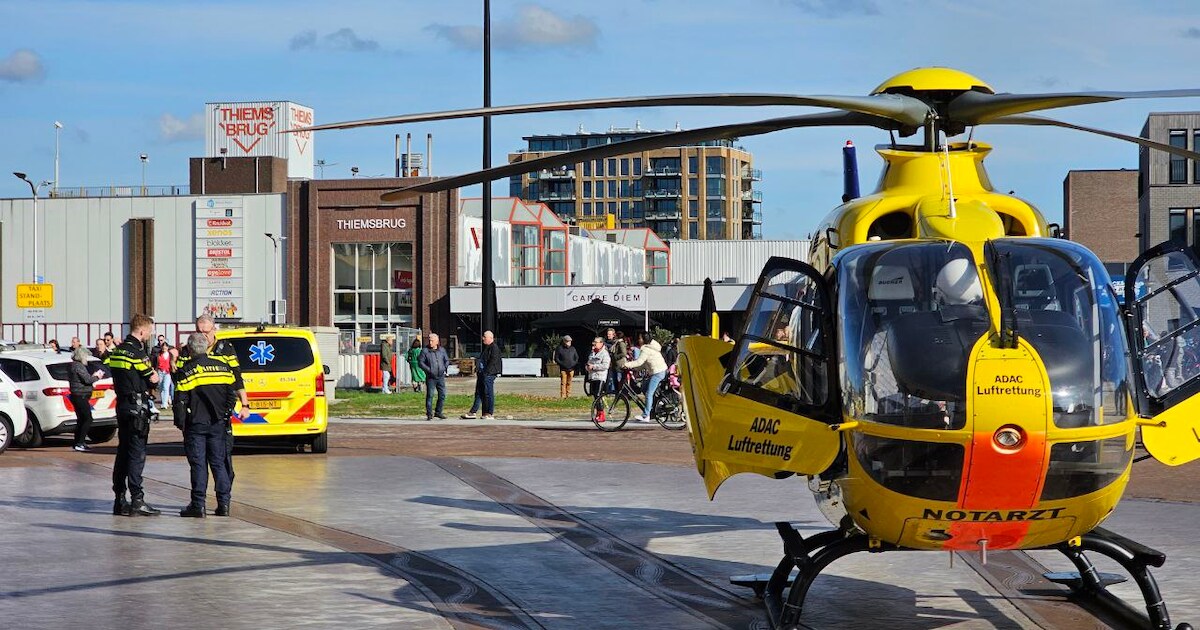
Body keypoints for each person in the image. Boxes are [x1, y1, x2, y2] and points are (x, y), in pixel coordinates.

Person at [177, 314, 250, 483]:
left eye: (206, 332)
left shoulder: (225, 349)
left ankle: (224, 500)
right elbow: (179, 379)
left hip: (218, 414)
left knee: (222, 461)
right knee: (197, 462)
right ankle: (200, 500)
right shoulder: (188, 350)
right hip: (196, 414)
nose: (202, 336)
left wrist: (245, 404)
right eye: (198, 331)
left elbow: (237, 378)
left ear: (214, 329)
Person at [173, 333, 237, 518]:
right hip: (218, 423)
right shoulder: (223, 367)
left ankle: (198, 505)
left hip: (196, 425)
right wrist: (225, 414)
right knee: (219, 463)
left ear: (191, 349)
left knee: (198, 465)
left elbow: (180, 401)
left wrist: (181, 423)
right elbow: (231, 395)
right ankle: (224, 504)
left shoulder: (187, 370)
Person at [105, 314, 161, 516]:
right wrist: (153, 378)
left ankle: (119, 499)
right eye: (150, 331)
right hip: (137, 408)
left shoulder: (118, 351)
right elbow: (153, 378)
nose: (151, 335)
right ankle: (137, 499)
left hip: (122, 406)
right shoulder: (137, 353)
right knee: (137, 454)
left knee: (123, 453)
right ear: (142, 330)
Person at [623, 331, 667, 423]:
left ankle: (646, 415)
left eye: (640, 338)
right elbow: (643, 364)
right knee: (643, 387)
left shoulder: (646, 349)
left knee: (649, 393)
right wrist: (635, 369)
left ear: (644, 339)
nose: (638, 340)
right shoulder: (651, 347)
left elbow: (639, 361)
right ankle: (656, 406)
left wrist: (627, 364)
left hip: (657, 372)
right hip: (658, 371)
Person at [68, 347, 105, 452]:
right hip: (80, 395)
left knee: (81, 419)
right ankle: (79, 442)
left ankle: (78, 442)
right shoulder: (78, 366)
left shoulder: (73, 365)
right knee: (87, 418)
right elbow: (88, 380)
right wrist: (97, 376)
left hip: (79, 394)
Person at [462, 331, 502, 419]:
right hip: (482, 373)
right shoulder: (486, 348)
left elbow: (493, 361)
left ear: (491, 338)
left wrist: (487, 372)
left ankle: (489, 412)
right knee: (479, 392)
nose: (482, 338)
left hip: (489, 374)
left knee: (488, 393)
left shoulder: (494, 348)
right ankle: (474, 412)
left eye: (484, 337)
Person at [418, 333, 450, 420]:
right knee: (430, 395)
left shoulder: (442, 350)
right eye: (429, 340)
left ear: (437, 341)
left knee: (442, 395)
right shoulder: (425, 351)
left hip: (440, 376)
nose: (430, 342)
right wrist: (429, 370)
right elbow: (420, 362)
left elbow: (446, 360)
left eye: (432, 340)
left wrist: (444, 367)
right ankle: (429, 413)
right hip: (431, 377)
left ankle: (438, 412)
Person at [606, 329, 628, 394]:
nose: (614, 336)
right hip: (615, 365)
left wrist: (615, 357)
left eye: (615, 335)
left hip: (619, 365)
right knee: (615, 380)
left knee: (619, 381)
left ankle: (621, 393)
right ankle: (617, 393)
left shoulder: (621, 343)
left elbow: (624, 353)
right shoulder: (616, 343)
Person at [155, 343, 173, 409]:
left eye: (165, 347)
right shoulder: (158, 355)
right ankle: (164, 400)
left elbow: (172, 363)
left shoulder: (170, 355)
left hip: (167, 372)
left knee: (166, 387)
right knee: (161, 387)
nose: (164, 348)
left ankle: (164, 403)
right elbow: (156, 363)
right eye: (163, 347)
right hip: (160, 371)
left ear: (167, 347)